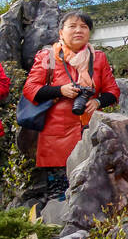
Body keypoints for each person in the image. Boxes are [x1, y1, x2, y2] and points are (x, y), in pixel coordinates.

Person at [23, 12, 121, 199]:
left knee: (93, 190)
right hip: (56, 134)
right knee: (60, 195)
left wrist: (98, 101)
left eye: (84, 27)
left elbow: (113, 91)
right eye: (72, 26)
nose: (78, 30)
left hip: (89, 130)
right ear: (61, 32)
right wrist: (60, 90)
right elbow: (30, 88)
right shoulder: (49, 56)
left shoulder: (98, 57)